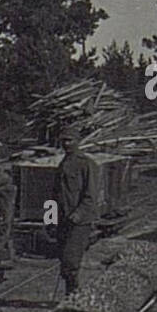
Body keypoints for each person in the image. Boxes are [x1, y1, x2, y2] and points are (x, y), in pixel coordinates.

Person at [56, 126, 99, 296]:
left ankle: (74, 295)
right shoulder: (63, 163)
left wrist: (78, 214)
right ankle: (71, 293)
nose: (66, 144)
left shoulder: (86, 164)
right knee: (63, 261)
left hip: (80, 222)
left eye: (69, 140)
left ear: (78, 142)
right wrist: (49, 219)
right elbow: (54, 195)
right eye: (63, 141)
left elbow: (90, 196)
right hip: (62, 220)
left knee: (71, 261)